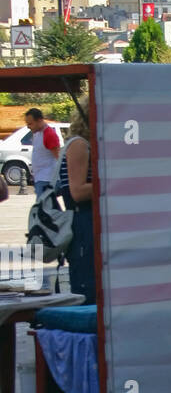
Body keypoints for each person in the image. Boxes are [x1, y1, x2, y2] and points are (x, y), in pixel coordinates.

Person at [57, 101, 95, 304]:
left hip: (86, 221)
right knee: (87, 285)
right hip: (82, 221)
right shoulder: (80, 144)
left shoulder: (85, 143)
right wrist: (113, 182)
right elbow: (78, 191)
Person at [24, 107, 62, 198]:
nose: (28, 126)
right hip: (41, 178)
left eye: (30, 124)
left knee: (42, 208)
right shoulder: (36, 133)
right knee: (48, 208)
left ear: (40, 120)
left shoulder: (49, 134)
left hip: (48, 179)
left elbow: (59, 158)